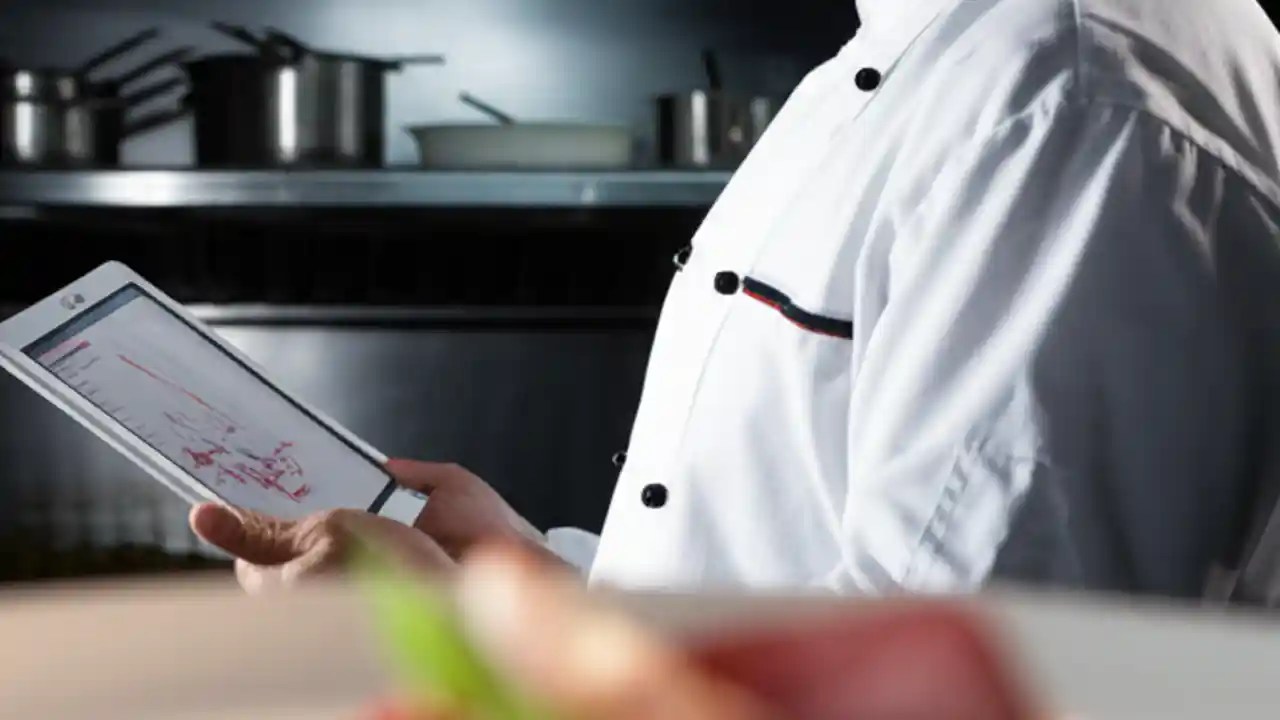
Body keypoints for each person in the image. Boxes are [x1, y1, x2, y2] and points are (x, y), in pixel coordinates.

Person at [193, 0, 1280, 599]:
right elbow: (788, 578)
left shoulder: (1067, 94)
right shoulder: (920, 53)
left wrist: (478, 650)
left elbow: (960, 675)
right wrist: (534, 582)